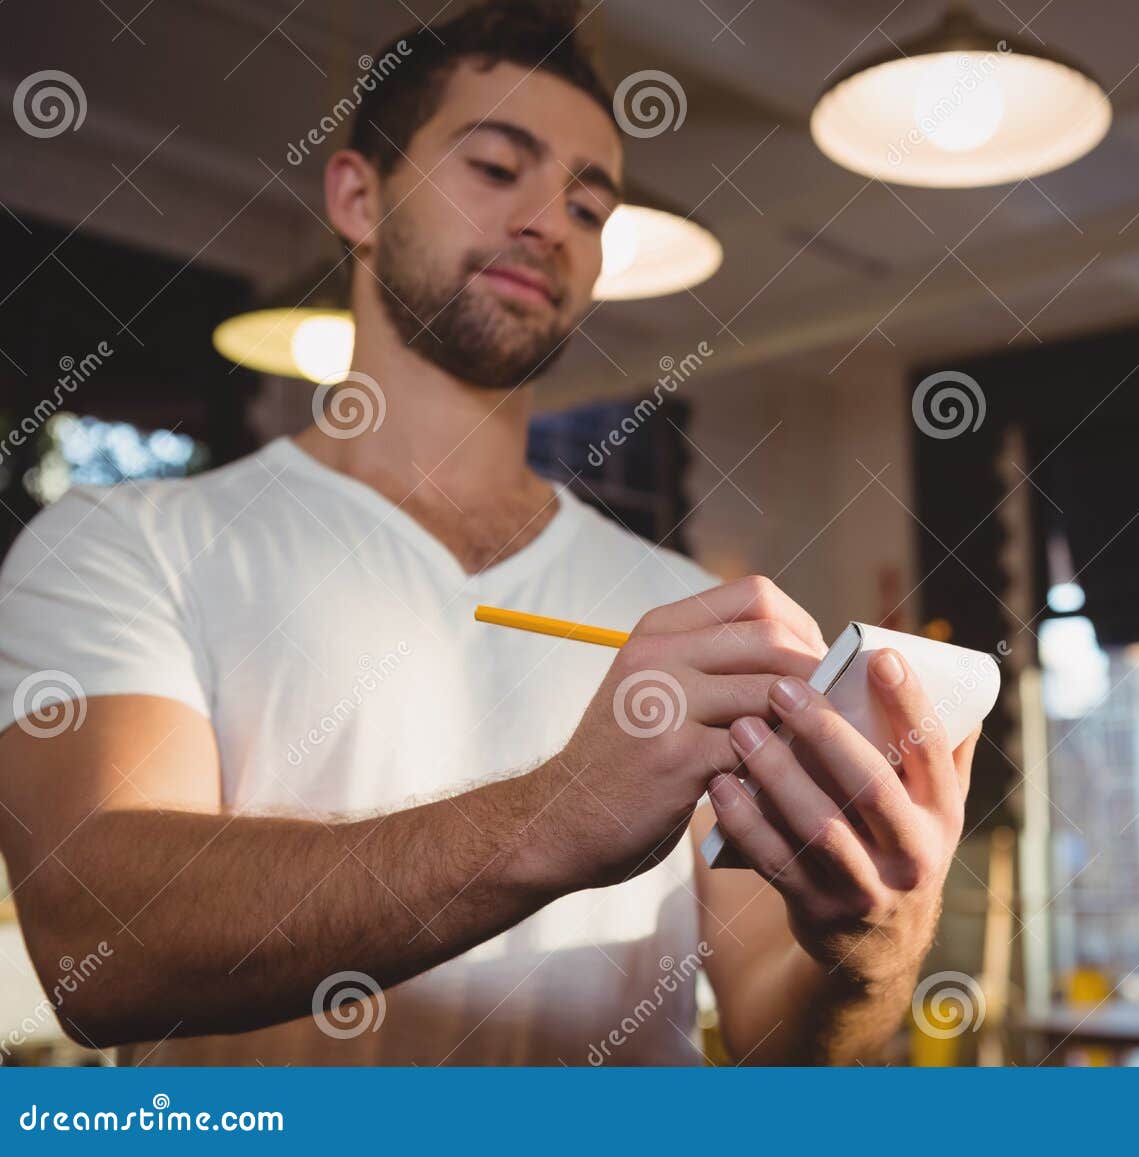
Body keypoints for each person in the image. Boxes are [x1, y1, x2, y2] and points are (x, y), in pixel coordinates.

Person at [0, 0, 975, 1065]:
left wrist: (870, 953)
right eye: (498, 167)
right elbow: (97, 940)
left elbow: (773, 1039)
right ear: (358, 196)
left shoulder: (684, 609)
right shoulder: (120, 542)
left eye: (589, 207)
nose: (550, 223)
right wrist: (559, 816)